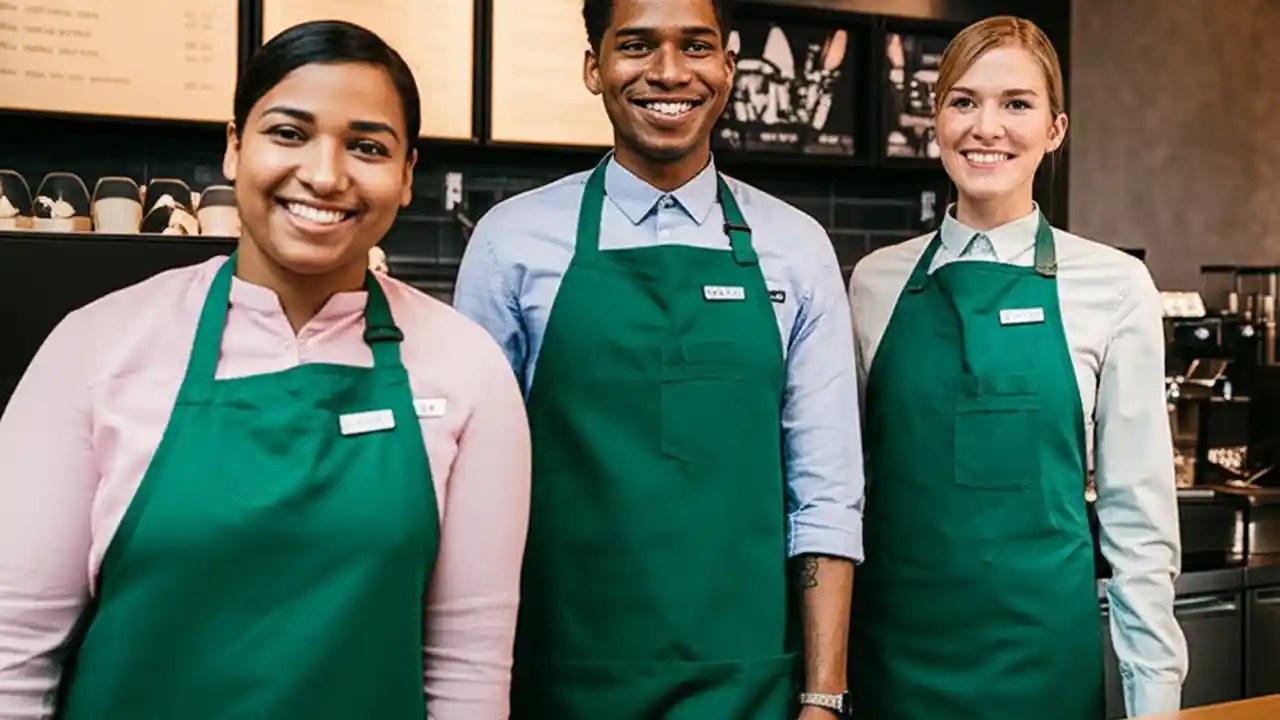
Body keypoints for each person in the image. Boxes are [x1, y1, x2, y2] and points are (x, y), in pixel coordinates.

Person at [0, 21, 530, 719]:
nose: (324, 173)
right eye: (288, 133)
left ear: (406, 177)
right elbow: (12, 651)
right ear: (233, 146)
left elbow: (467, 675)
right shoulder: (98, 347)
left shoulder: (466, 370)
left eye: (367, 147)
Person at [452, 0, 863, 717]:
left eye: (696, 46)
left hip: (747, 683)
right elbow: (470, 498)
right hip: (562, 680)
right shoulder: (510, 243)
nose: (668, 72)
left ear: (729, 68)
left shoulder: (796, 249)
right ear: (595, 67)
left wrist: (822, 699)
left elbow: (826, 493)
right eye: (637, 46)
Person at [846, 15, 1186, 720]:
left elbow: (1138, 522)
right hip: (895, 661)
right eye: (963, 101)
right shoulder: (873, 284)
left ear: (1056, 129)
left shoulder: (1115, 286)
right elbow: (840, 494)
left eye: (1017, 104)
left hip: (1043, 666)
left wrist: (1154, 701)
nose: (986, 126)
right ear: (935, 120)